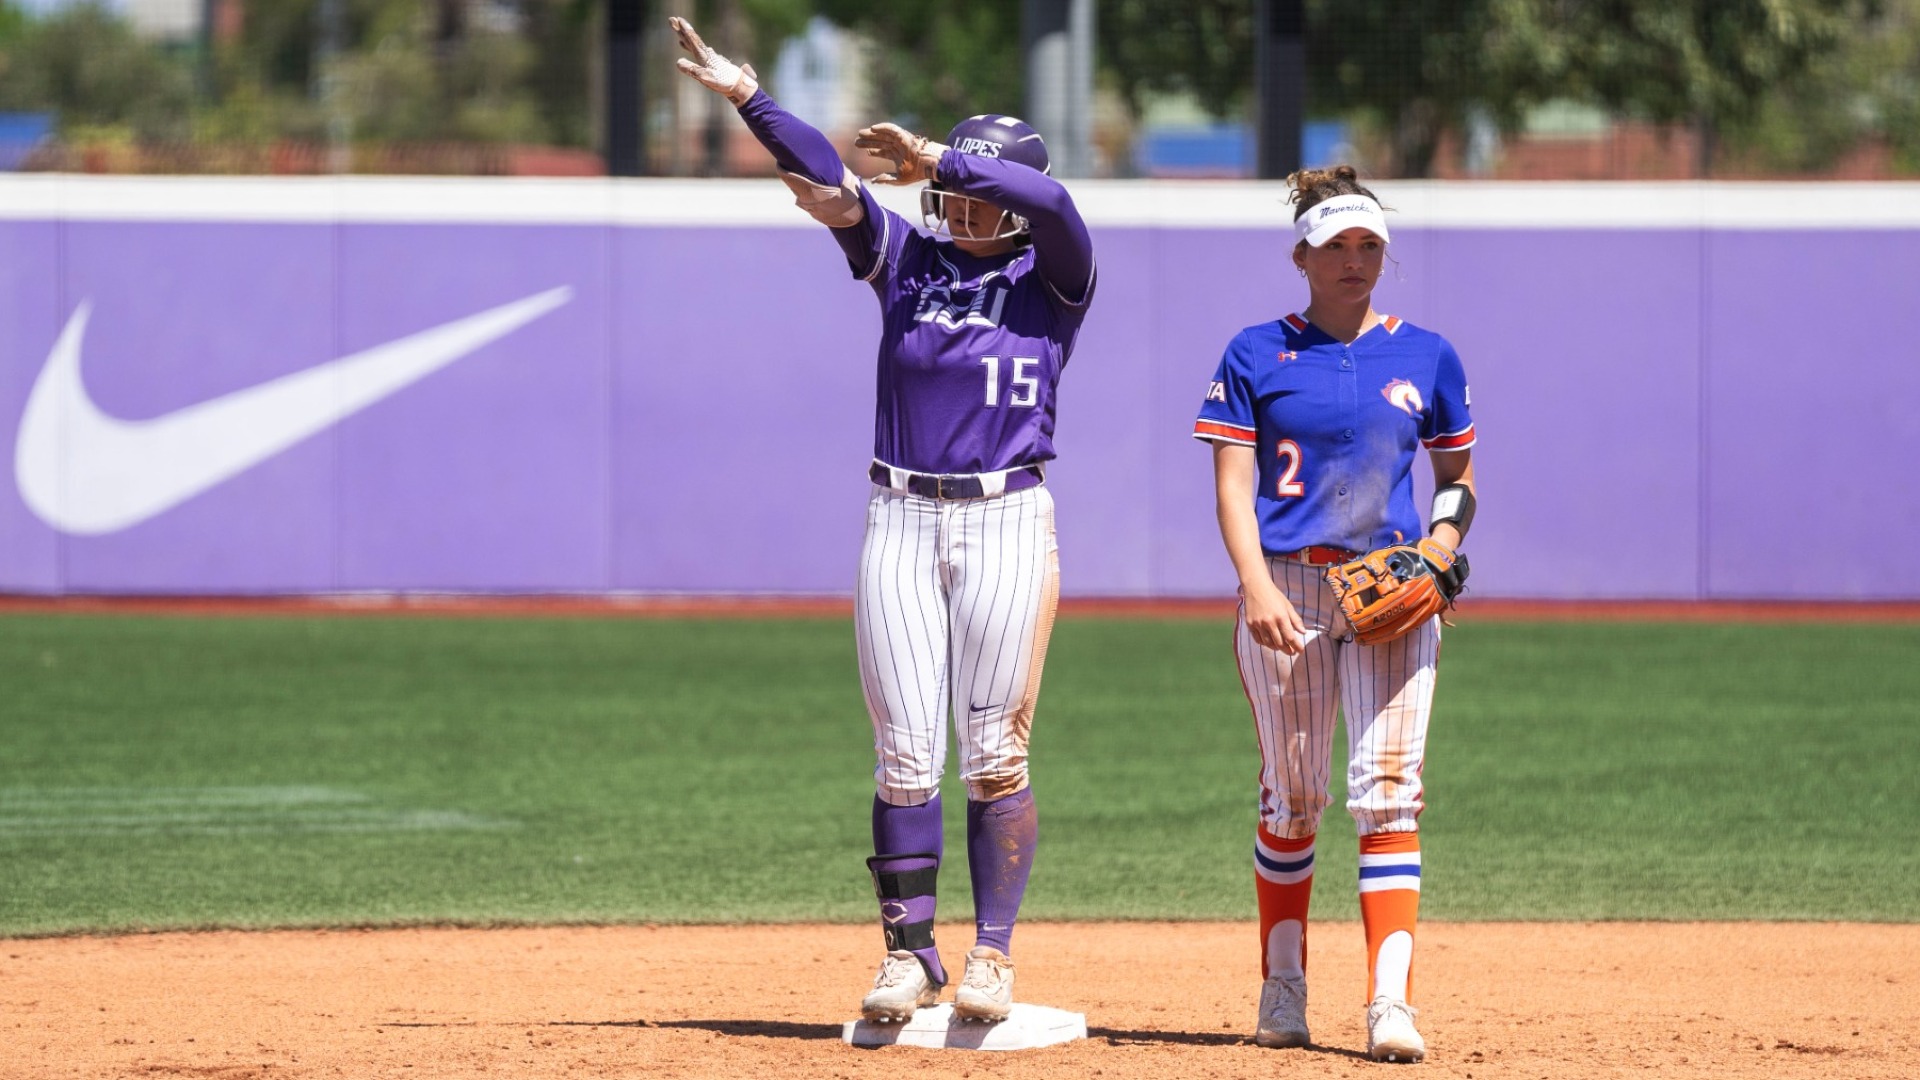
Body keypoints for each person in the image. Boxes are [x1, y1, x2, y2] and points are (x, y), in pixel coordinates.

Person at [669, 17, 1096, 1025]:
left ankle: (992, 956)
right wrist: (747, 95)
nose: (957, 200)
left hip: (1006, 517)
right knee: (905, 754)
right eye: (954, 186)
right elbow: (826, 182)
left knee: (996, 754)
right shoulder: (910, 259)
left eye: (978, 187)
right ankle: (910, 956)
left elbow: (1056, 204)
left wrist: (943, 155)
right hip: (900, 514)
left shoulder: (1053, 281)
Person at [1191, 166, 1476, 1063]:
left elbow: (1457, 479)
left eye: (1369, 246)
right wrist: (1255, 585)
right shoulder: (1256, 352)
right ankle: (1283, 986)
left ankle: (1391, 1003)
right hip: (1289, 588)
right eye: (1337, 246)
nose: (1355, 260)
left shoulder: (1427, 354)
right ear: (1302, 257)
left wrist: (1440, 546)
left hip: (1391, 590)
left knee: (1389, 791)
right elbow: (1232, 488)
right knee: (1295, 797)